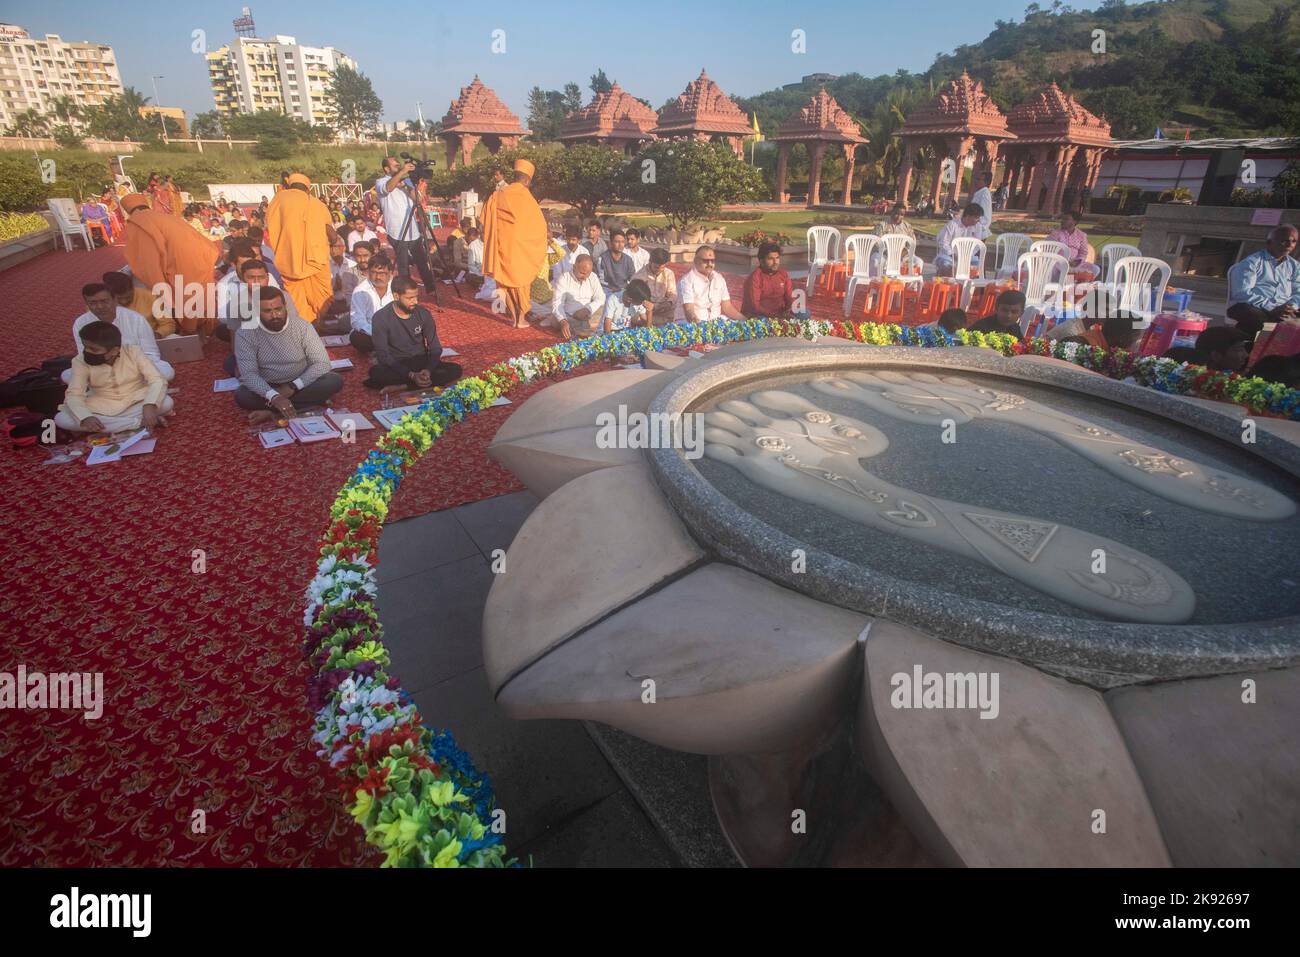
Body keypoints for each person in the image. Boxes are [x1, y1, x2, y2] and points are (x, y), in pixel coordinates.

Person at [233, 286, 342, 422]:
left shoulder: (303, 326)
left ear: (285, 307)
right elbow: (249, 374)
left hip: (300, 383)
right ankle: (306, 405)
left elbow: (322, 363)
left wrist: (293, 386)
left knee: (334, 380)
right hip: (268, 386)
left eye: (278, 309)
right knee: (242, 395)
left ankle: (271, 411)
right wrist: (274, 396)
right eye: (267, 311)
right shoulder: (245, 333)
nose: (275, 315)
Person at [120, 192, 221, 336]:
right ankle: (200, 332)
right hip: (199, 258)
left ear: (128, 210)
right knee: (196, 296)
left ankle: (184, 335)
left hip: (177, 263)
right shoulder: (168, 217)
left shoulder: (138, 222)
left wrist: (161, 288)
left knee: (178, 298)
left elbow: (147, 262)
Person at [55, 320, 173, 435]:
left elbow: (156, 380)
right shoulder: (80, 361)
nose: (87, 351)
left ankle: (109, 427)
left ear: (114, 350)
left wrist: (149, 405)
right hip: (102, 406)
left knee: (167, 403)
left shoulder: (133, 352)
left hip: (136, 401)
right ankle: (138, 423)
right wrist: (85, 417)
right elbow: (74, 394)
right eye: (85, 346)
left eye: (94, 349)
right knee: (62, 419)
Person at [481, 158, 549, 329]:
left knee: (506, 283)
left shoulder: (499, 194)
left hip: (503, 248)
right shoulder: (528, 199)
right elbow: (540, 227)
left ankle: (514, 317)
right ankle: (520, 319)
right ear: (527, 180)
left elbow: (484, 218)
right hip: (521, 251)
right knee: (521, 284)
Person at [366, 277, 462, 389]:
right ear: (396, 296)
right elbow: (383, 355)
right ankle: (416, 382)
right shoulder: (380, 318)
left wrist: (428, 370)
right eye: (410, 298)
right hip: (397, 363)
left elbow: (435, 348)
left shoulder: (423, 313)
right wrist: (410, 375)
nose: (415, 301)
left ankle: (403, 386)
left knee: (455, 369)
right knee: (376, 373)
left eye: (416, 297)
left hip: (421, 360)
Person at [71, 282, 174, 381]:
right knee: (69, 375)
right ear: (87, 303)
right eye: (93, 303)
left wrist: (130, 368)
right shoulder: (81, 323)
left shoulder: (136, 319)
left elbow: (151, 353)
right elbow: (84, 355)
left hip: (135, 366)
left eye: (104, 301)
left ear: (115, 300)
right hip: (100, 368)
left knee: (166, 371)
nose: (99, 307)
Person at [266, 172, 334, 322]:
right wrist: (333, 242)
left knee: (297, 301)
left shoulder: (277, 201)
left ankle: (306, 328)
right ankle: (317, 325)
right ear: (308, 189)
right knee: (322, 296)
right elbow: (330, 233)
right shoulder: (315, 203)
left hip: (288, 261)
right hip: (316, 261)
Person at [375, 156, 438, 296]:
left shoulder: (406, 180)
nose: (398, 166)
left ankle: (431, 289)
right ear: (386, 169)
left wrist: (406, 186)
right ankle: (406, 293)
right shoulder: (381, 181)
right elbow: (388, 188)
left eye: (399, 165)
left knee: (422, 262)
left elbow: (417, 199)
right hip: (396, 231)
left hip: (413, 230)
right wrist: (402, 172)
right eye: (395, 165)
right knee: (403, 266)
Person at [1226, 224, 1300, 335]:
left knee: (1285, 322)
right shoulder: (1251, 263)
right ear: (1269, 242)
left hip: (1283, 309)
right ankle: (1249, 345)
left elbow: (1297, 292)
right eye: (1284, 241)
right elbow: (1242, 293)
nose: (1289, 245)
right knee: (1263, 321)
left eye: (1294, 241)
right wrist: (1272, 307)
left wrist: (1291, 307)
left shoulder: (1294, 266)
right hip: (1253, 306)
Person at [676, 246, 744, 322]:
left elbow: (727, 307)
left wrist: (746, 321)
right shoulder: (687, 281)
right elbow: (689, 310)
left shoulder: (719, 278)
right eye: (706, 261)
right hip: (692, 323)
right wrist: (699, 325)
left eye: (712, 261)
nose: (710, 264)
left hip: (716, 322)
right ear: (696, 261)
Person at [102, 270, 174, 339]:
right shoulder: (101, 304)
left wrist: (158, 334)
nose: (124, 301)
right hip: (119, 344)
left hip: (151, 339)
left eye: (128, 297)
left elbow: (168, 324)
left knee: (174, 337)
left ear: (132, 288)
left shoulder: (151, 297)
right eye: (119, 298)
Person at [550, 254, 606, 339]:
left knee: (605, 310)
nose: (584, 277)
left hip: (586, 315)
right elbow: (557, 303)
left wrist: (588, 308)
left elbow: (601, 297)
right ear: (574, 267)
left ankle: (583, 329)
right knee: (556, 319)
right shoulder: (564, 278)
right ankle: (582, 330)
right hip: (569, 316)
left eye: (588, 273)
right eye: (582, 273)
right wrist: (563, 321)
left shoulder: (593, 277)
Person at [350, 254, 394, 354]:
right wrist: (378, 333)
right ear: (368, 272)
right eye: (374, 272)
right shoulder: (360, 291)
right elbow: (357, 320)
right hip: (371, 333)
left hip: (394, 331)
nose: (378, 277)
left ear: (391, 273)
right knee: (357, 338)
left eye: (382, 273)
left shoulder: (397, 288)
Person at [740, 241, 795, 318]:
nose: (775, 262)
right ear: (761, 261)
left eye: (777, 258)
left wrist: (788, 310)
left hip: (779, 313)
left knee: (804, 314)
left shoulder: (783, 274)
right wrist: (776, 316)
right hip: (758, 315)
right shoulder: (755, 278)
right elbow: (755, 306)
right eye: (771, 259)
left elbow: (789, 297)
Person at [934, 204, 989, 277]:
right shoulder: (952, 225)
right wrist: (953, 255)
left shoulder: (977, 226)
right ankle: (950, 285)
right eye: (976, 217)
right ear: (968, 216)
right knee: (946, 265)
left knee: (979, 265)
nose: (978, 220)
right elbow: (943, 242)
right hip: (949, 256)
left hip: (967, 257)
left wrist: (966, 256)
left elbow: (977, 245)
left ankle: (972, 287)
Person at [1045, 210, 1100, 280]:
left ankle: (1078, 286)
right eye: (1062, 219)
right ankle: (1062, 285)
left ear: (1075, 222)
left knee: (1095, 269)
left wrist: (1077, 261)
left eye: (1066, 219)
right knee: (1052, 268)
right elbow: (1047, 249)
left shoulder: (1081, 235)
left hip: (1075, 264)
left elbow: (1083, 253)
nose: (1062, 221)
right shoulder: (1055, 234)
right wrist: (1062, 260)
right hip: (1058, 262)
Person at [634, 247, 677, 323]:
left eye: (662, 267)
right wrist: (651, 307)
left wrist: (665, 304)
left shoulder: (669, 273)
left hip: (664, 309)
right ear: (650, 262)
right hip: (645, 311)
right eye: (656, 267)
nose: (659, 270)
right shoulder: (640, 276)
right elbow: (637, 299)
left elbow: (673, 294)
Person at [597, 229, 636, 293]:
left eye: (622, 242)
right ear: (611, 243)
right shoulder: (602, 259)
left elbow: (632, 278)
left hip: (624, 291)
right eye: (617, 242)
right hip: (607, 290)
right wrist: (613, 288)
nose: (620, 244)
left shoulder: (628, 260)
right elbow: (601, 280)